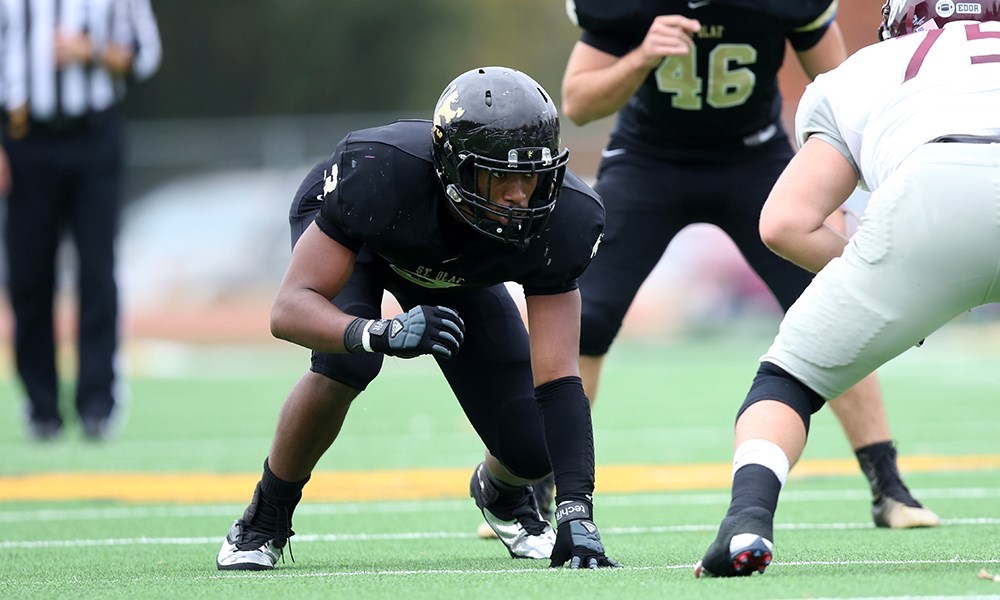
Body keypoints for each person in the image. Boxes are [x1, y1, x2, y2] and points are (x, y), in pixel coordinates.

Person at [215, 66, 619, 571]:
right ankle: (265, 517)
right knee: (348, 365)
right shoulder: (380, 173)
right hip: (364, 243)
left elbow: (560, 378)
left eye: (533, 175)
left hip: (459, 269)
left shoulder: (565, 219)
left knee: (533, 447)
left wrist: (576, 512)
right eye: (501, 176)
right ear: (454, 167)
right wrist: (375, 334)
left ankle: (502, 495)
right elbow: (290, 308)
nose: (521, 195)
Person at [560, 0, 939, 529]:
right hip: (648, 160)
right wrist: (642, 55)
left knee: (837, 305)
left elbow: (847, 93)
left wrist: (842, 199)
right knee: (588, 315)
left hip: (753, 157)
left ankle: (889, 486)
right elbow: (577, 103)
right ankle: (543, 487)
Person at [695, 0, 1000, 577]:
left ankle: (747, 522)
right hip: (936, 186)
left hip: (933, 195)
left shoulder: (874, 66)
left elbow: (785, 223)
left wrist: (889, 285)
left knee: (787, 381)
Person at [0, 0, 162, 441]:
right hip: (22, 139)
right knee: (28, 277)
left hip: (93, 138)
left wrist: (90, 51)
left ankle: (97, 403)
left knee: (96, 272)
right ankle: (40, 407)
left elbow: (146, 55)